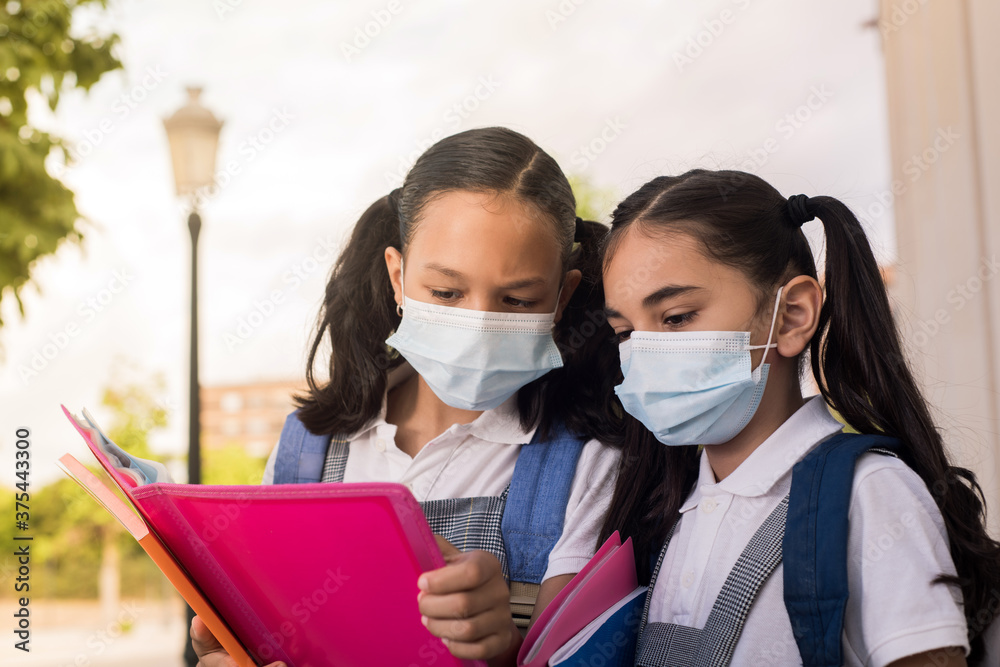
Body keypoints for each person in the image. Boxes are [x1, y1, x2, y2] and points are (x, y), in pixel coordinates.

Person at [191, 127, 621, 667]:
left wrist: (502, 647)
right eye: (445, 292)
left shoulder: (590, 466)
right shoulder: (309, 447)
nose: (478, 324)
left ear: (562, 298)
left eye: (517, 299)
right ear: (398, 277)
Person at [598, 169, 1000, 666]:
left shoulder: (869, 495)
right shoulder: (665, 510)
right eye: (624, 332)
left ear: (791, 315)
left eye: (677, 317)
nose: (645, 352)